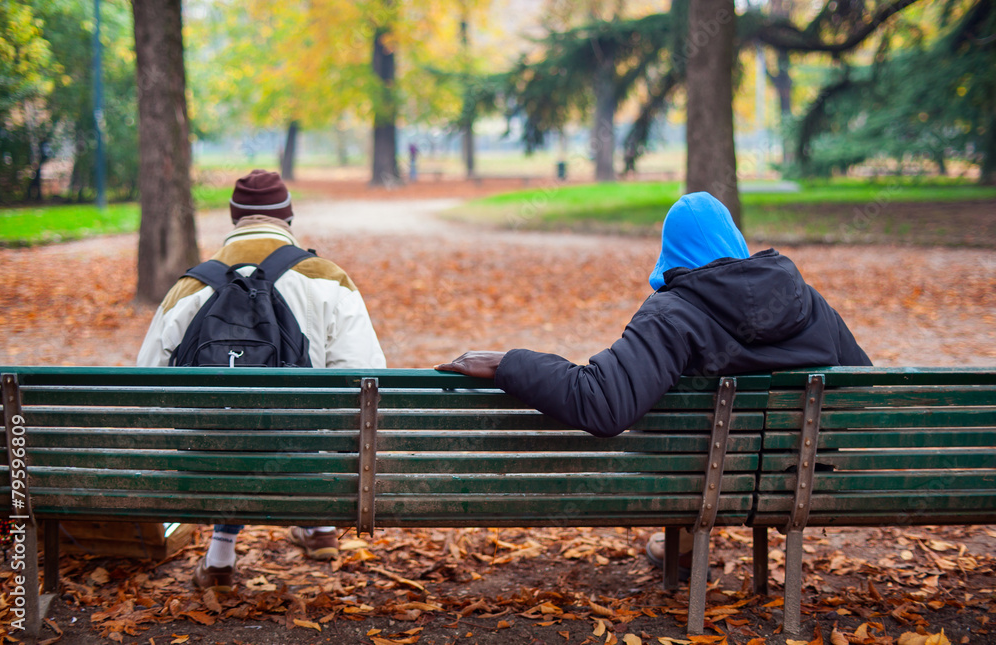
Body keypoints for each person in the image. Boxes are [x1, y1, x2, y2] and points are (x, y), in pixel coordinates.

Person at [436, 190, 871, 576]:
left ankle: (680, 545)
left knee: (691, 442)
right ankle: (686, 543)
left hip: (699, 483)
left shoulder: (671, 314)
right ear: (735, 239)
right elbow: (861, 390)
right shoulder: (806, 300)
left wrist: (509, 362)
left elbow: (603, 405)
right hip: (796, 480)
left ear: (673, 252)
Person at [137, 169, 386, 591]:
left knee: (231, 423)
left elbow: (145, 386)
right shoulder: (328, 279)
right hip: (307, 462)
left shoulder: (189, 285)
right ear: (287, 218)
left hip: (206, 465)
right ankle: (322, 524)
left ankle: (220, 556)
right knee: (301, 422)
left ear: (235, 219)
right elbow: (366, 379)